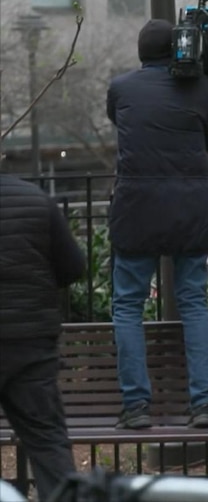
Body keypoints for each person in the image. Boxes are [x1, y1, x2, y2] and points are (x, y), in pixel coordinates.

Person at [106, 19, 208, 430]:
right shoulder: (201, 88)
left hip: (137, 209)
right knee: (194, 302)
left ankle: (136, 406)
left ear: (142, 53)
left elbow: (123, 123)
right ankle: (201, 405)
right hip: (189, 209)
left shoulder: (122, 88)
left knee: (128, 305)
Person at [0, 174, 86, 501]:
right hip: (31, 343)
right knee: (48, 441)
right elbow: (73, 267)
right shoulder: (34, 199)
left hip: (29, 336)